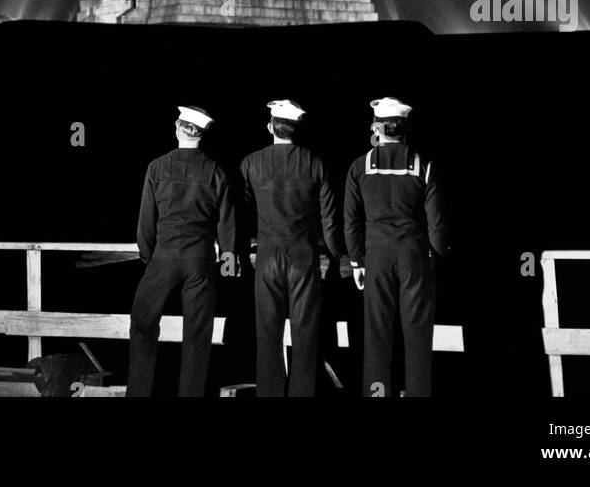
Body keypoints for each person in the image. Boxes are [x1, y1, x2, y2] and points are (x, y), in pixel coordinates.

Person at [127, 104, 236, 397]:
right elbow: (227, 220)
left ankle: (139, 391)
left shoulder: (156, 167)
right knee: (197, 335)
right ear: (202, 134)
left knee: (142, 324)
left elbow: (146, 220)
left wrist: (148, 255)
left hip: (164, 257)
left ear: (177, 128)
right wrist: (227, 256)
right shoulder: (215, 170)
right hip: (200, 260)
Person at [344, 97, 449, 398]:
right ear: (406, 127)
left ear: (378, 126)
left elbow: (350, 220)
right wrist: (438, 255)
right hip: (413, 257)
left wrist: (356, 262)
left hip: (376, 258)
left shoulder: (359, 166)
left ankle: (377, 393)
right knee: (417, 337)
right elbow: (437, 224)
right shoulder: (424, 166)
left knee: (376, 336)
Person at [240, 99, 341, 396]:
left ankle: (269, 391)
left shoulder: (250, 162)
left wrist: (239, 251)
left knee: (267, 330)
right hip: (303, 253)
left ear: (270, 126)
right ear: (295, 128)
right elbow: (329, 218)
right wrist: (337, 255)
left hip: (268, 252)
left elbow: (243, 214)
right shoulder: (314, 162)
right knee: (305, 329)